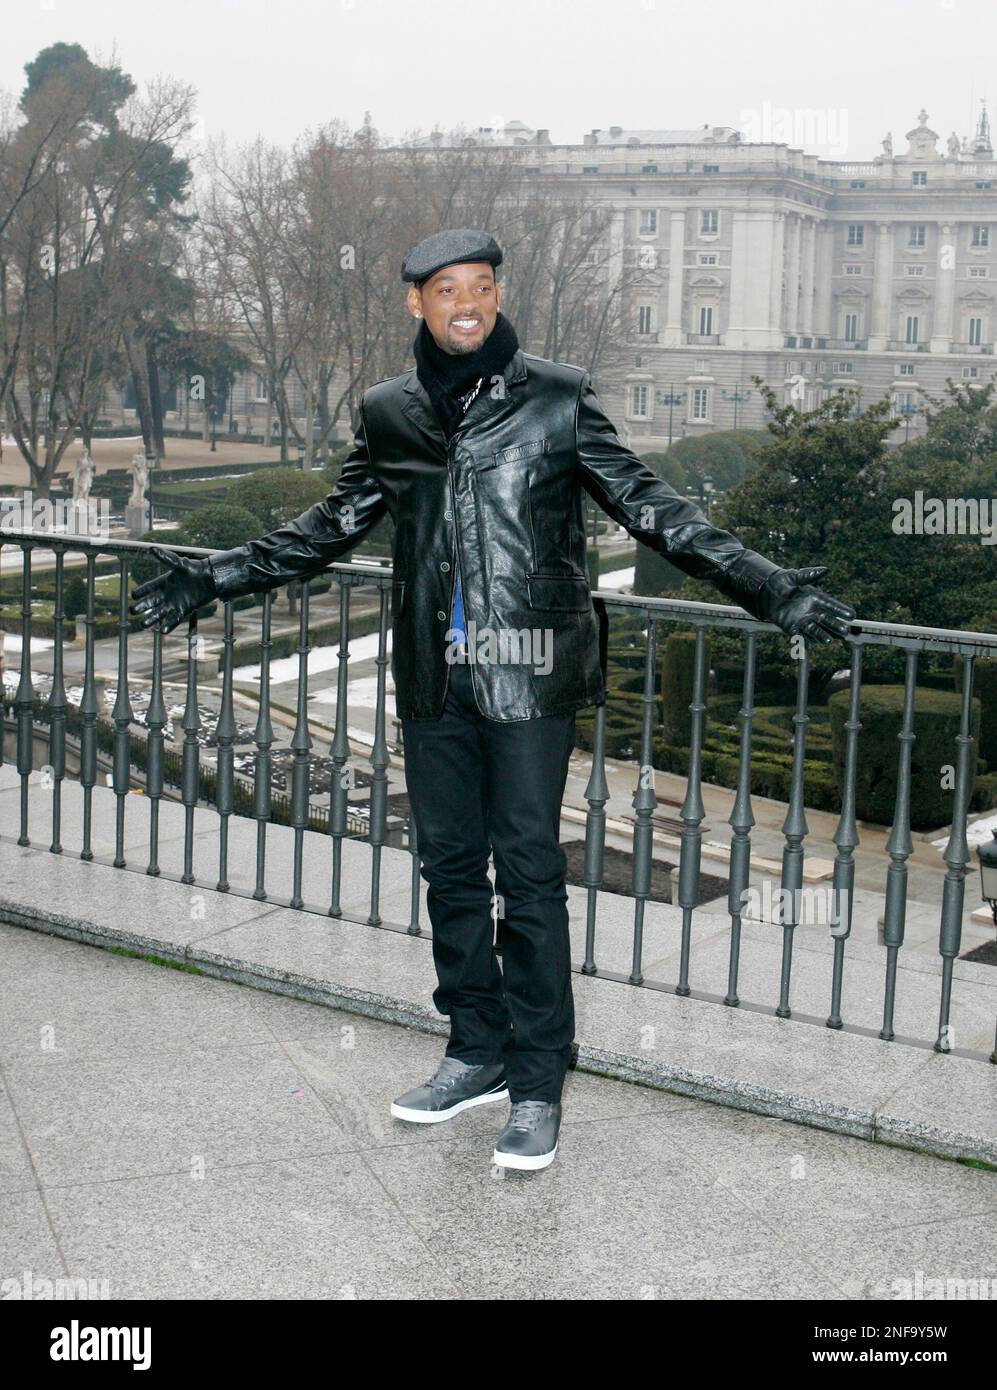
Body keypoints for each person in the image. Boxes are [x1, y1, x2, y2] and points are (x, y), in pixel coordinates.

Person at [131, 228, 854, 1172]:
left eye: (481, 288)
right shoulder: (389, 412)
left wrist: (768, 586)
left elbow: (651, 507)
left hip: (528, 672)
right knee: (448, 871)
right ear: (416, 304)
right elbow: (326, 528)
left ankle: (540, 1078)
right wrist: (212, 577)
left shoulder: (553, 398)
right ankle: (474, 1051)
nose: (467, 304)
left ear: (495, 295)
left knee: (529, 872)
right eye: (446, 290)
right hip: (436, 673)